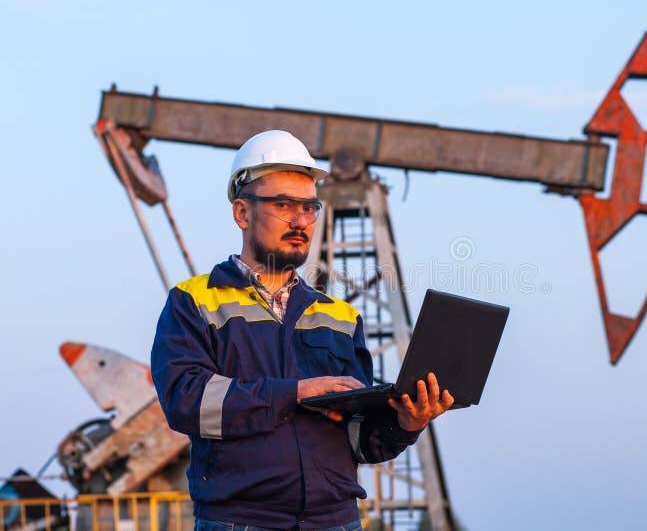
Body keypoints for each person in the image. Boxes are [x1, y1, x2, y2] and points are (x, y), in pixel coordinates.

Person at [150, 130, 454, 531]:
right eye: (282, 205)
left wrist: (407, 423)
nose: (300, 221)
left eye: (309, 208)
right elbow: (185, 402)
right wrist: (295, 393)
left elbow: (359, 440)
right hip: (241, 522)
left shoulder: (341, 318)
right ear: (242, 213)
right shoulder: (194, 303)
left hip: (336, 522)